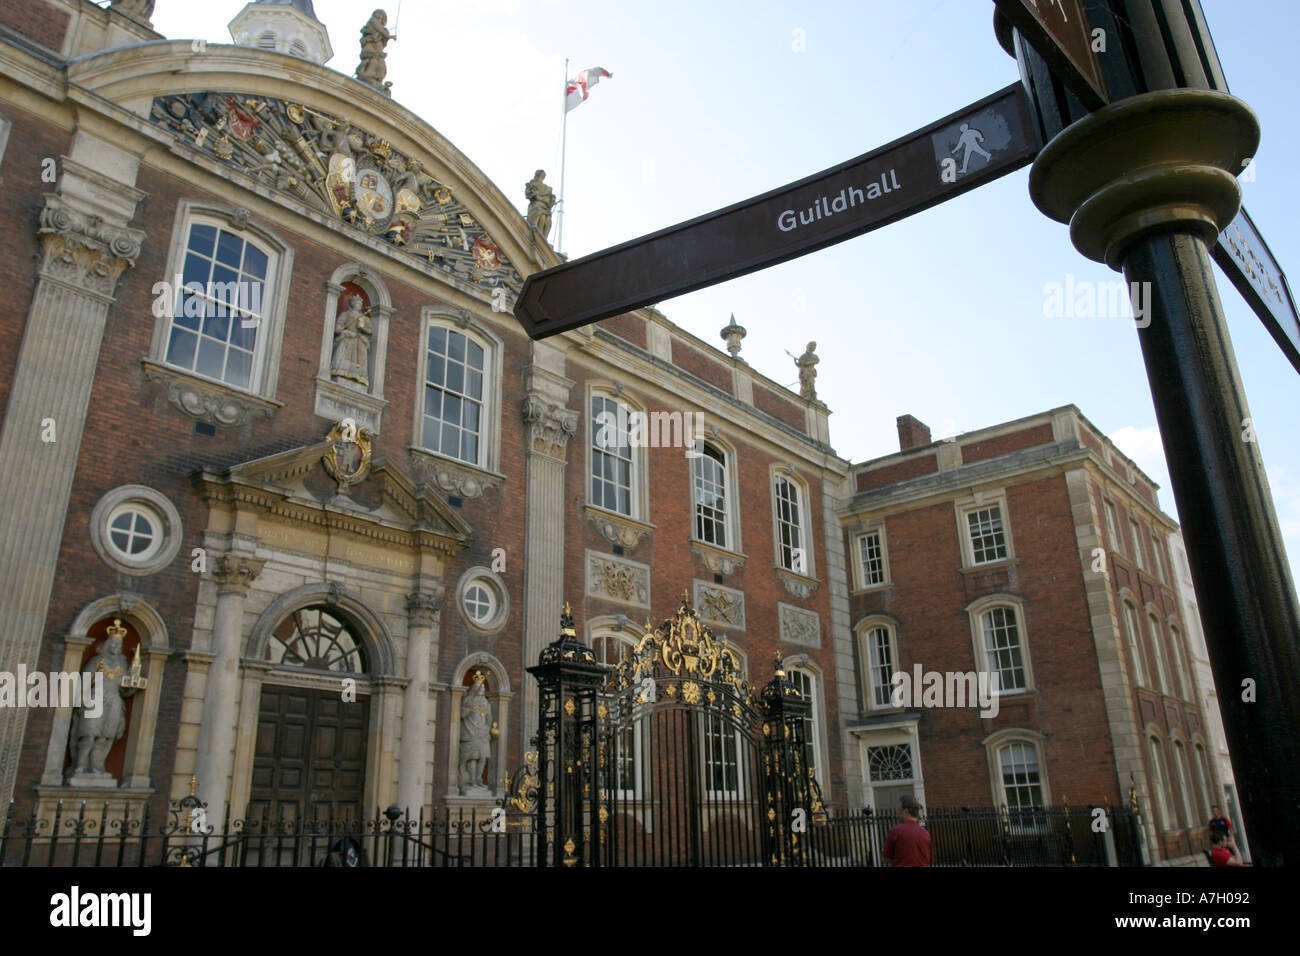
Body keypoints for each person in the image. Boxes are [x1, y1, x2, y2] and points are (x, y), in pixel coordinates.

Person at [882, 795, 932, 867]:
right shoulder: (926, 833)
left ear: (906, 811)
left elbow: (885, 858)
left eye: (900, 811)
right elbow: (929, 859)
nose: (898, 813)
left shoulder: (896, 831)